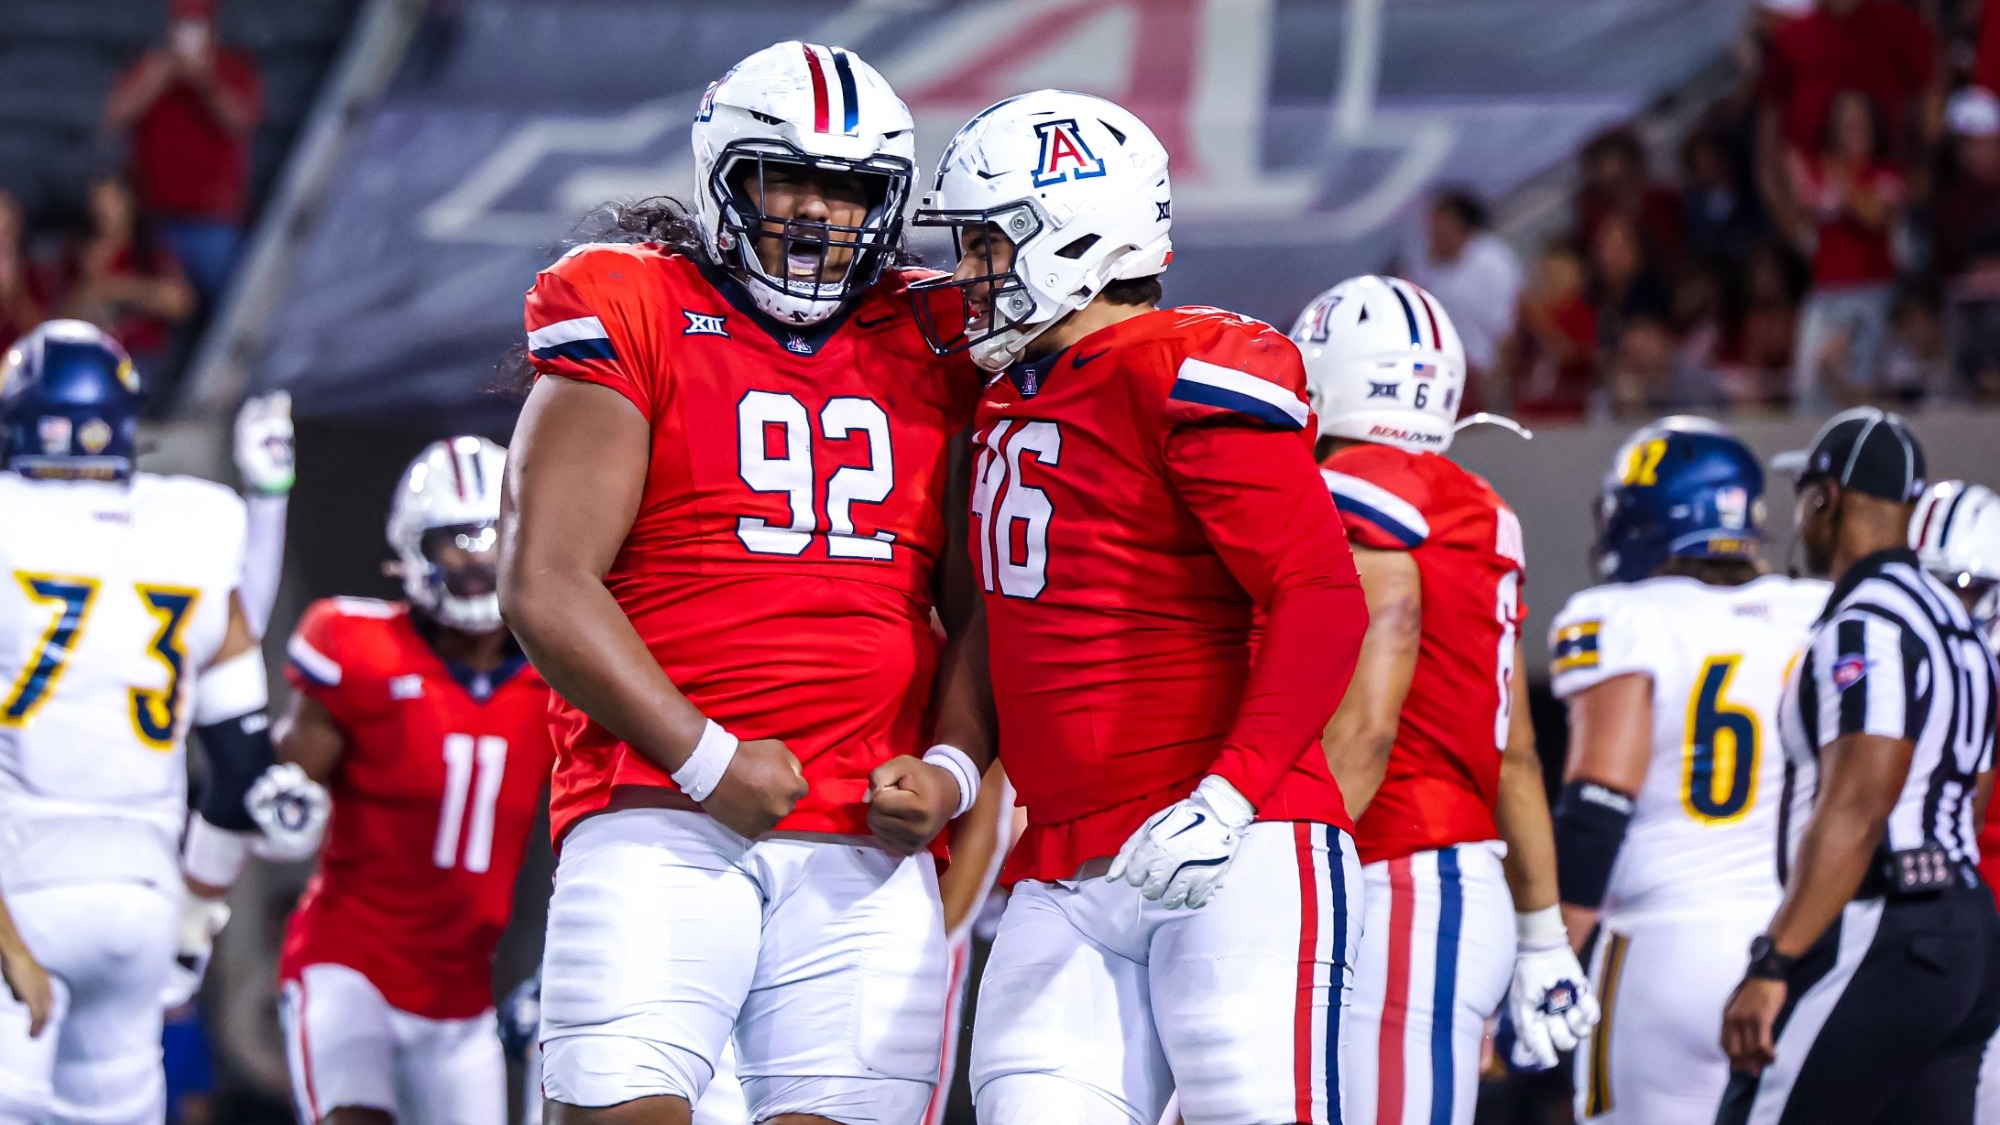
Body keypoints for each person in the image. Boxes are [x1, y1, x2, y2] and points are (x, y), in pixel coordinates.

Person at [499, 41, 990, 1125]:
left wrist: (954, 769)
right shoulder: (629, 301)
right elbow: (544, 582)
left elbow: (988, 604)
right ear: (725, 178)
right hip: (658, 811)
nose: (821, 215)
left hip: (867, 836)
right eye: (793, 181)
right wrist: (702, 755)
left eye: (853, 191)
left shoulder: (936, 336)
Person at [912, 89, 1369, 1125]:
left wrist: (1228, 797)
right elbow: (1007, 618)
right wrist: (951, 765)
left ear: (1072, 237)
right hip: (1061, 860)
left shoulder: (1185, 365)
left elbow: (1318, 596)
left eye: (989, 243)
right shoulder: (1007, 394)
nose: (970, 272)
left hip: (1227, 845)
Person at [0, 320, 321, 1123]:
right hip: (140, 908)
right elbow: (242, 771)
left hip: (19, 894)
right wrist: (188, 926)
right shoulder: (193, 526)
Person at [1291, 275, 1594, 1124]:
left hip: (1384, 874)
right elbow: (1519, 751)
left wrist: (1275, 878)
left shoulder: (1345, 496)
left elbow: (1363, 733)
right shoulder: (1484, 510)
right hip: (1448, 879)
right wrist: (1542, 933)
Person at [1718, 407, 2000, 1124]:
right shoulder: (1959, 624)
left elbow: (1860, 803)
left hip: (1882, 922)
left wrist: (1776, 959)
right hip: (1965, 929)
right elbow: (1968, 797)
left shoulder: (1867, 621)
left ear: (1826, 498)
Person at [1544, 417, 1825, 1125]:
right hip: (1795, 945)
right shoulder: (1816, 612)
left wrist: (1545, 955)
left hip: (1660, 947)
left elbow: (1596, 811)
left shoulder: (1621, 615)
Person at [269, 436, 556, 1125]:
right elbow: (281, 802)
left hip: (462, 995)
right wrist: (280, 795)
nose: (480, 557)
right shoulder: (352, 644)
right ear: (410, 549)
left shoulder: (562, 671)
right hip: (350, 964)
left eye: (493, 534)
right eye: (456, 540)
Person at [102, 0, 263, 303]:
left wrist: (203, 80)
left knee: (236, 306)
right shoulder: (150, 69)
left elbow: (242, 120)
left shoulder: (230, 68)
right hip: (158, 221)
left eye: (195, 26)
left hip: (215, 223)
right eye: (181, 25)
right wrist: (152, 80)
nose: (186, 35)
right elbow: (111, 119)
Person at [1784, 90, 1906, 409]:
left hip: (1868, 292)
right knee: (1809, 382)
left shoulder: (1884, 174)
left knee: (1854, 376)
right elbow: (1803, 221)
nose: (1853, 129)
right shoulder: (1821, 175)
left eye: (1859, 122)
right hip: (1825, 293)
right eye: (1846, 123)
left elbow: (1874, 216)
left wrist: (1844, 177)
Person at [1401, 190, 1522, 410]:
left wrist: (1497, 379)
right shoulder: (1422, 264)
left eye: (1442, 228)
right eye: (1432, 228)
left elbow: (1509, 325)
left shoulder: (1492, 263)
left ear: (1464, 229)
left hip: (1481, 370)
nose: (1434, 235)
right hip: (1436, 369)